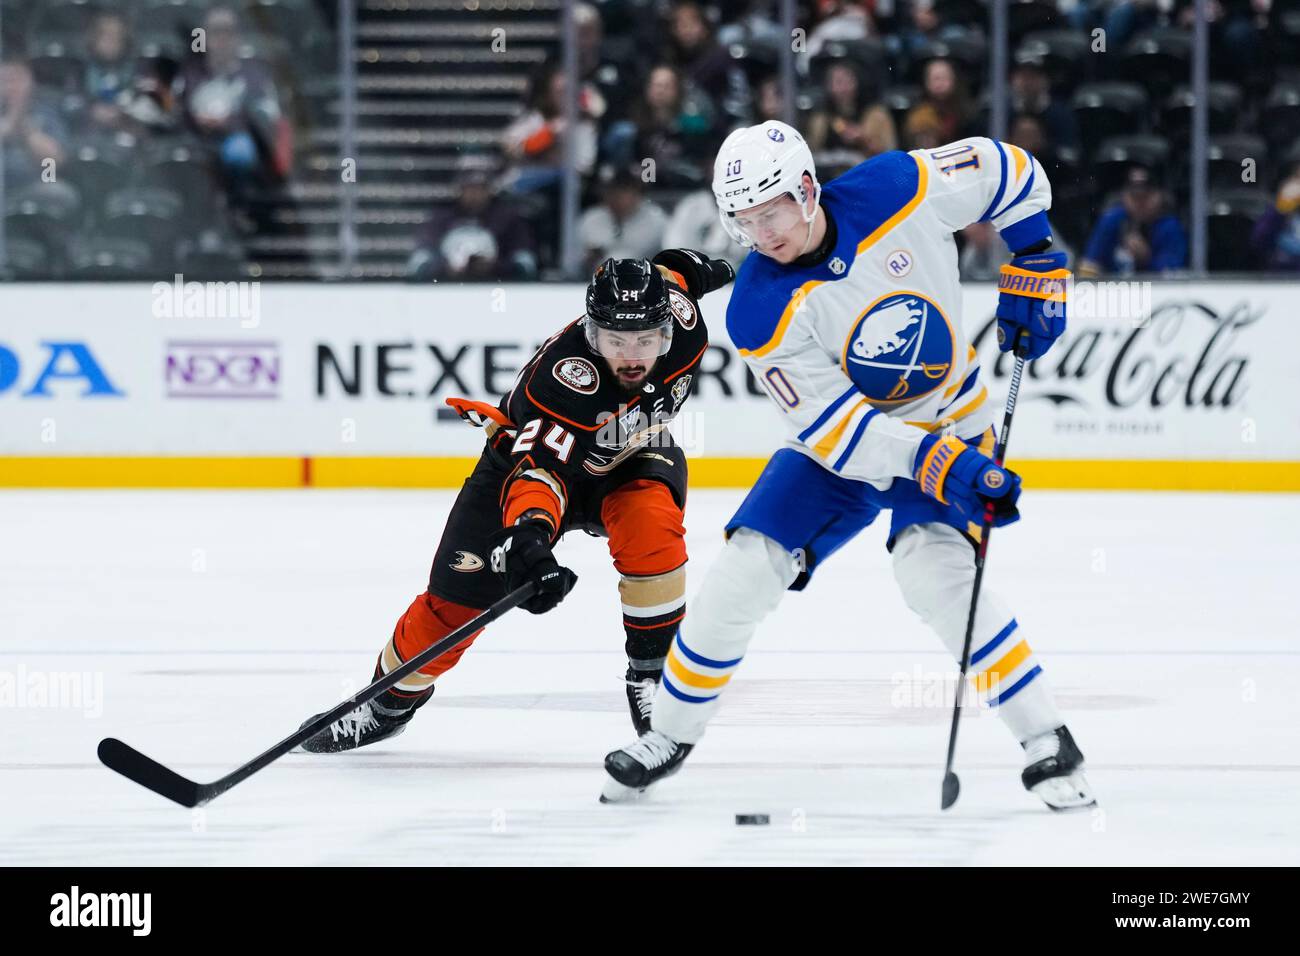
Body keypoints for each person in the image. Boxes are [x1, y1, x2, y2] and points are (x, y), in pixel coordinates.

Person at [601, 121, 1096, 813]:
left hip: (952, 419)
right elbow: (838, 432)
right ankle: (670, 735)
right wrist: (934, 463)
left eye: (769, 210)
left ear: (807, 189)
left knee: (935, 572)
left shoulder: (898, 187)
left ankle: (1047, 738)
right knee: (746, 565)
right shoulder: (758, 307)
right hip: (847, 450)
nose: (760, 232)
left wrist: (1037, 251)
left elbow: (1005, 167)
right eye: (742, 219)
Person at [297, 251, 735, 753]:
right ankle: (385, 705)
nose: (632, 356)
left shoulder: (685, 320)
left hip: (630, 457)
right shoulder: (562, 382)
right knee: (452, 608)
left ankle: (654, 674)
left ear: (667, 329)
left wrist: (695, 264)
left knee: (652, 527)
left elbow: (673, 272)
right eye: (615, 340)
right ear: (593, 335)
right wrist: (527, 538)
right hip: (525, 473)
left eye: (644, 340)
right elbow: (540, 475)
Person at [407, 161, 538, 280]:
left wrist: (494, 266)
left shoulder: (508, 219)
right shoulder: (441, 219)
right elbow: (422, 258)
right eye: (469, 188)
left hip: (499, 287)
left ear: (490, 190)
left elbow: (523, 260)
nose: (474, 194)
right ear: (460, 189)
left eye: (480, 188)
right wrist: (446, 267)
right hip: (445, 287)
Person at [1078, 165, 1187, 277]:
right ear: (1123, 195)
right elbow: (1088, 265)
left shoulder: (1170, 227)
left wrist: (1146, 259)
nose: (1140, 204)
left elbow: (1173, 275)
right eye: (1134, 196)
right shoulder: (1112, 219)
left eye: (1145, 197)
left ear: (1160, 195)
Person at [578, 169, 669, 269]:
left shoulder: (657, 221)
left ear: (637, 194)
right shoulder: (590, 219)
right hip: (594, 280)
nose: (616, 197)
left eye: (623, 191)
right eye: (611, 191)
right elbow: (573, 261)